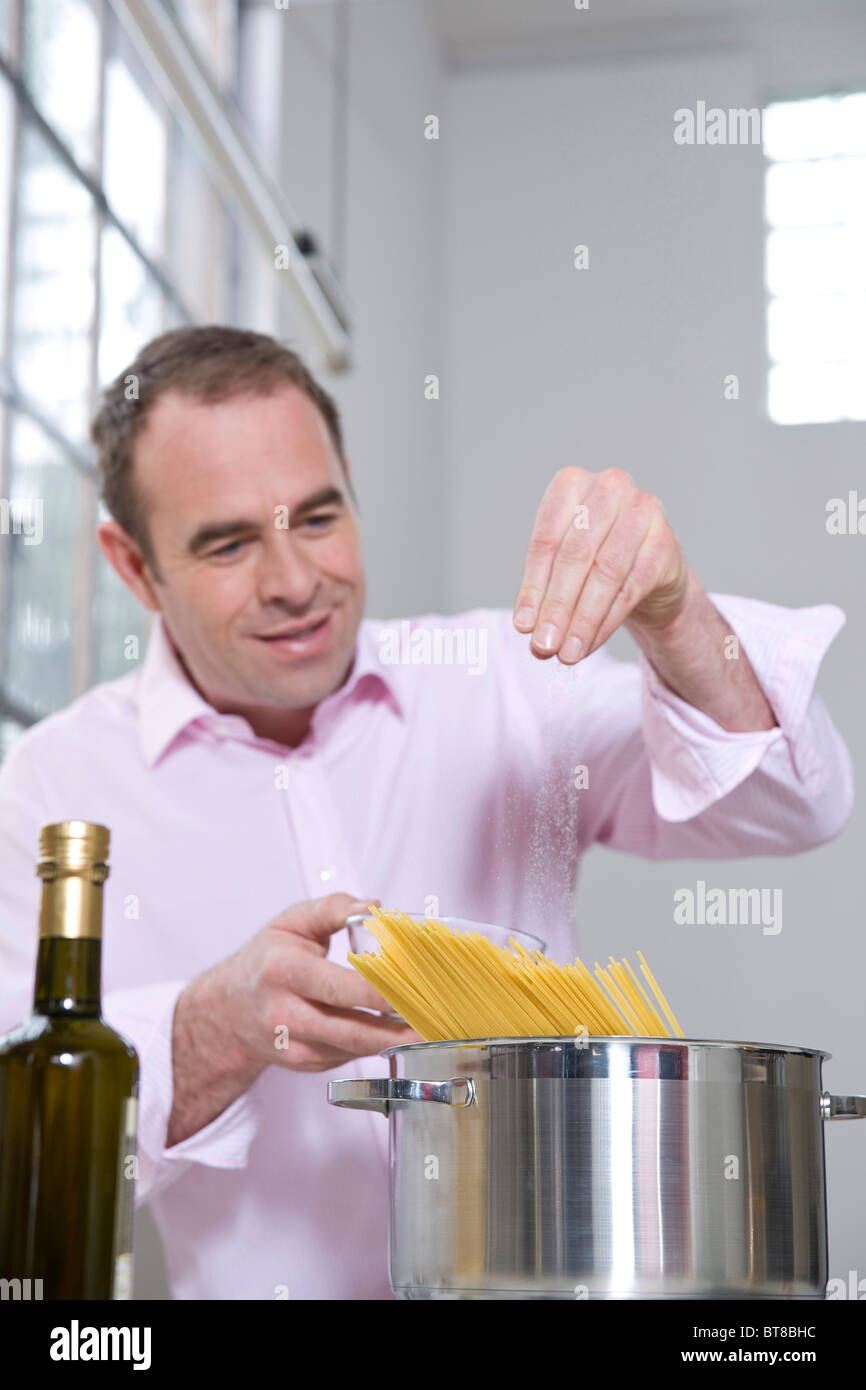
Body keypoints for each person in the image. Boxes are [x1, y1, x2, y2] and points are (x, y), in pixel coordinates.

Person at [0, 325, 853, 1300]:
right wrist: (208, 1029)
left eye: (317, 517)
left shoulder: (504, 681)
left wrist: (674, 613)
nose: (294, 582)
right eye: (228, 543)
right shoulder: (55, 789)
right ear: (131, 565)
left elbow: (796, 800)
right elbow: (21, 1154)